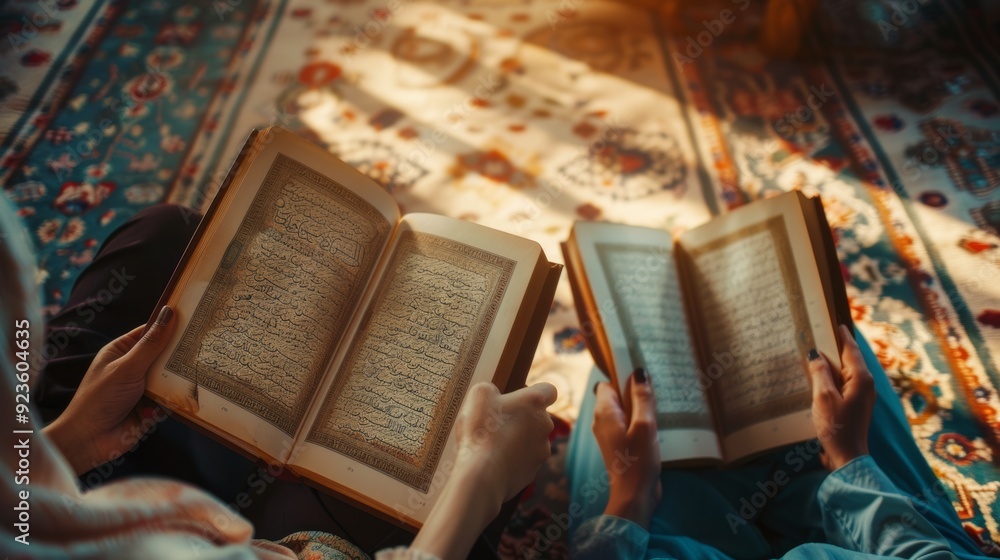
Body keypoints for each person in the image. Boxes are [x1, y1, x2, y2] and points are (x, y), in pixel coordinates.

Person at [0, 197, 557, 560]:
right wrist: (480, 478)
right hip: (285, 542)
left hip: (80, 486)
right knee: (453, 442)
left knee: (167, 233)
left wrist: (73, 439)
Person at [566, 325, 988, 559]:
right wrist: (850, 459)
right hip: (864, 540)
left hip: (680, 546)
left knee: (618, 377)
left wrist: (629, 500)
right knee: (831, 348)